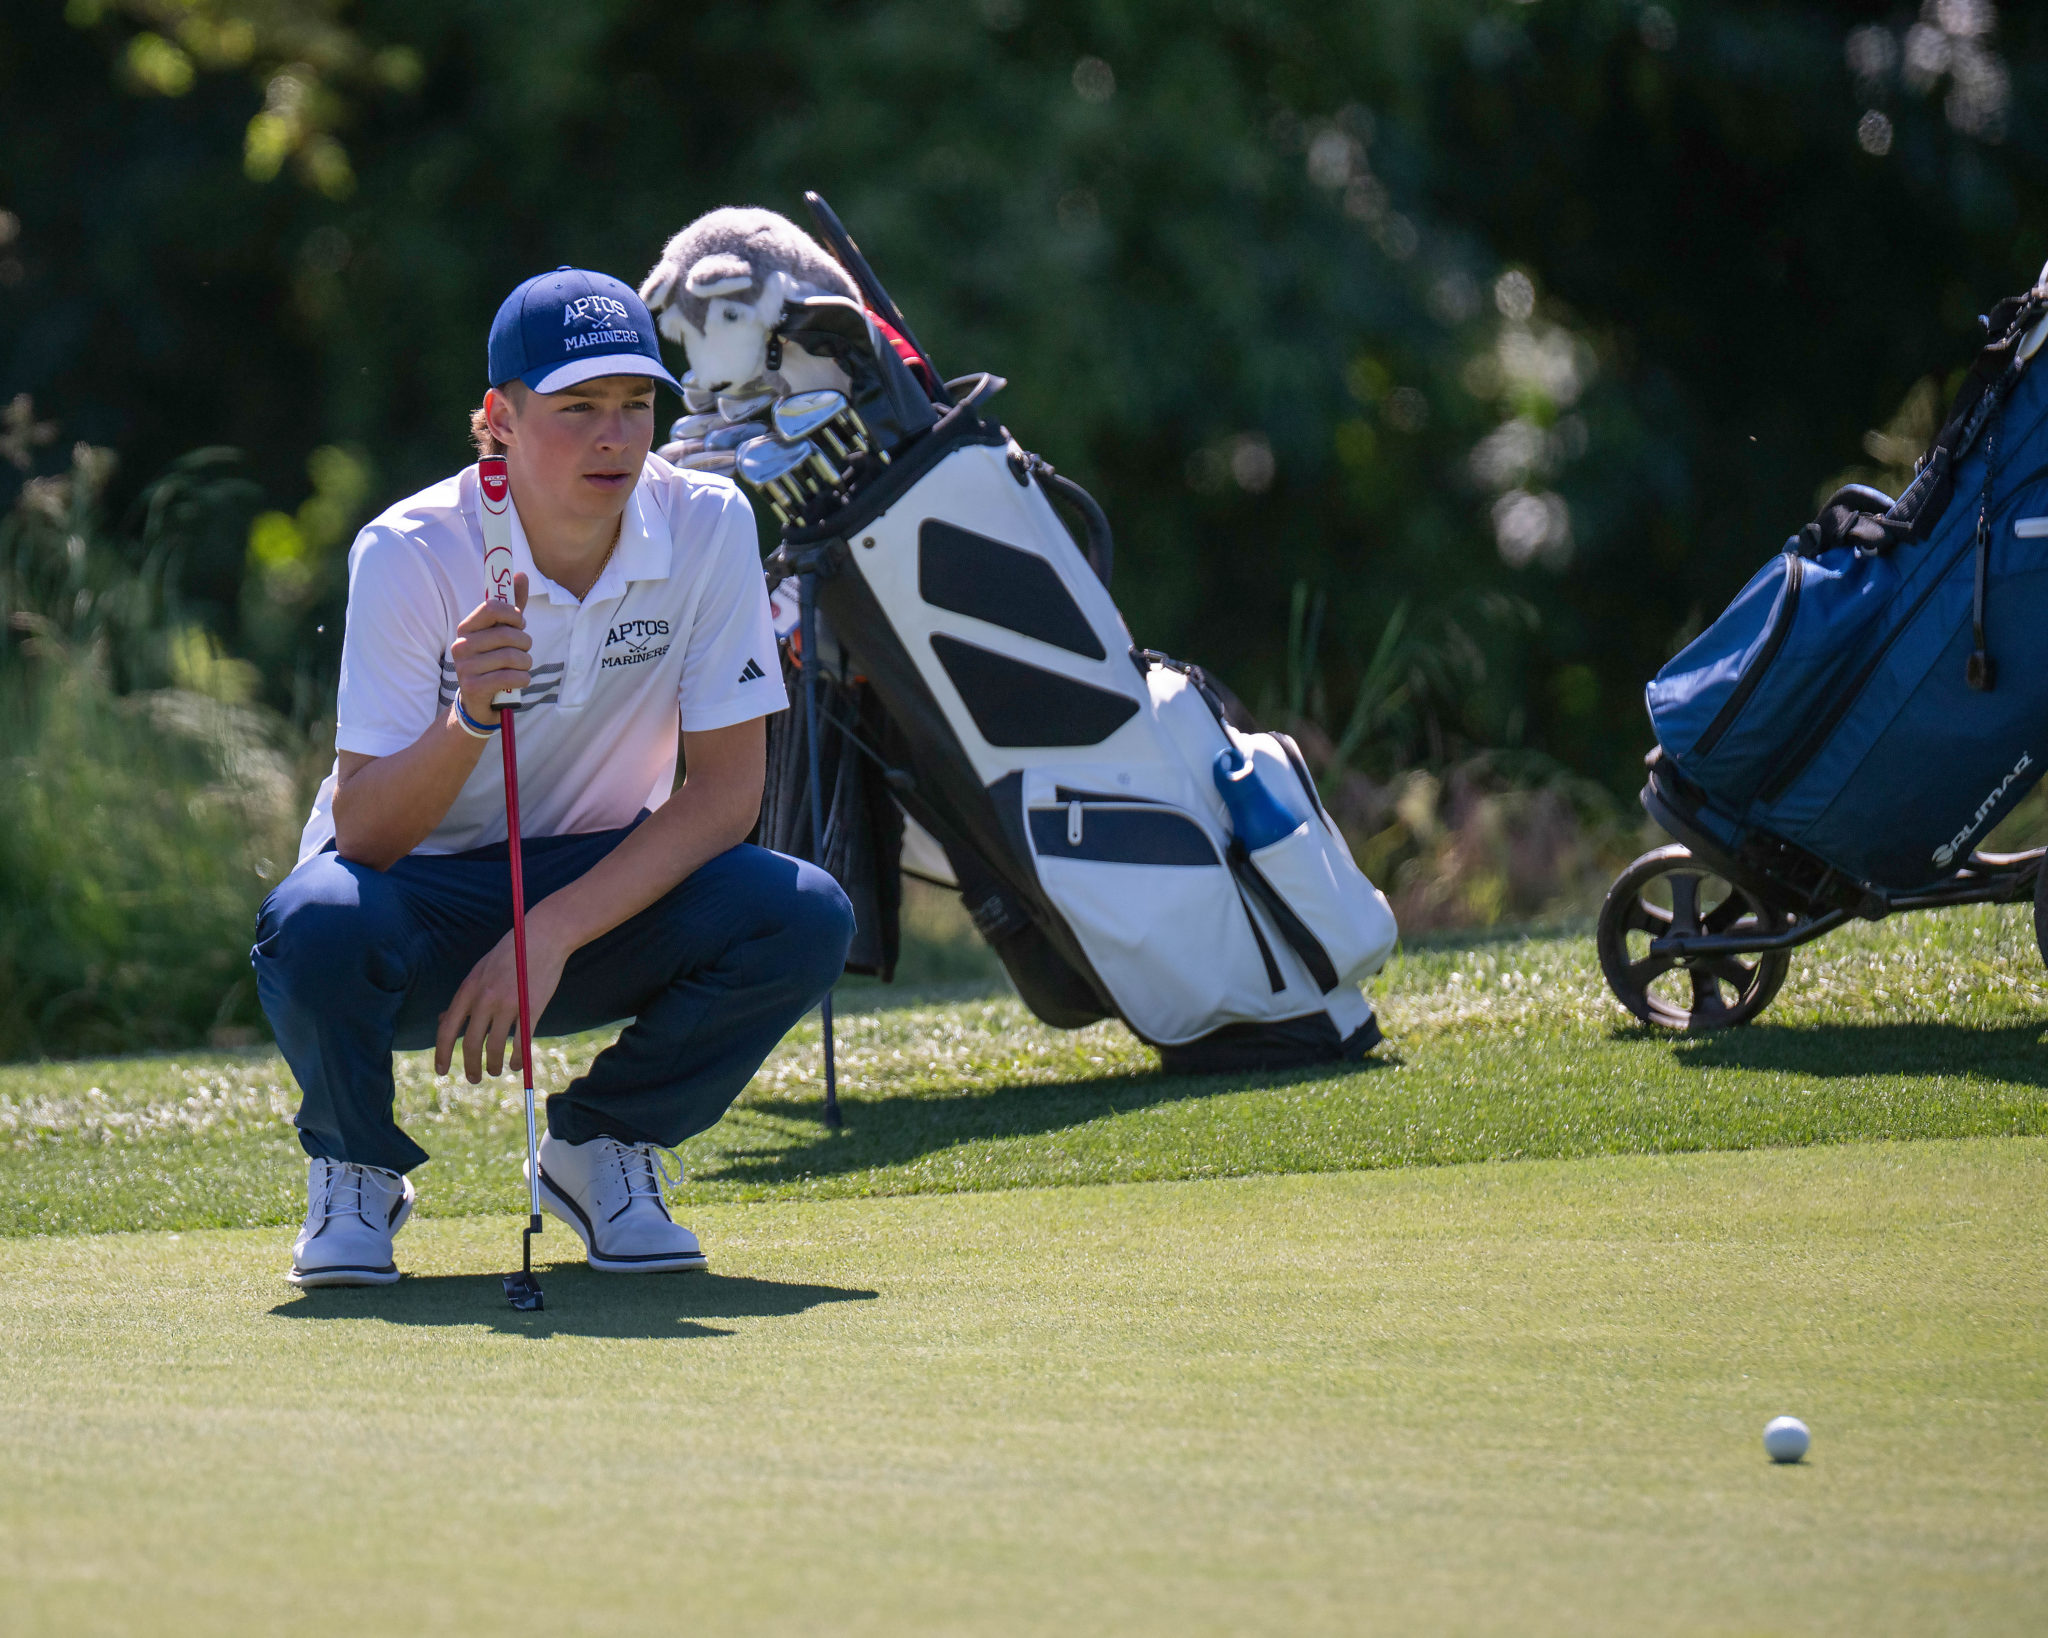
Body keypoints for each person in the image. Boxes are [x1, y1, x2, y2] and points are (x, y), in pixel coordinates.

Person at [253, 267, 853, 1288]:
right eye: (578, 410)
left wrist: (550, 933)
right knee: (312, 921)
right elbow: (362, 838)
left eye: (635, 406)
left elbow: (725, 796)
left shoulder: (708, 523)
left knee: (800, 911)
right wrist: (467, 720)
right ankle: (355, 1167)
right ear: (499, 419)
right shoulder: (409, 549)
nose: (614, 437)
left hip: (591, 901)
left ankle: (598, 1145)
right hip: (412, 906)